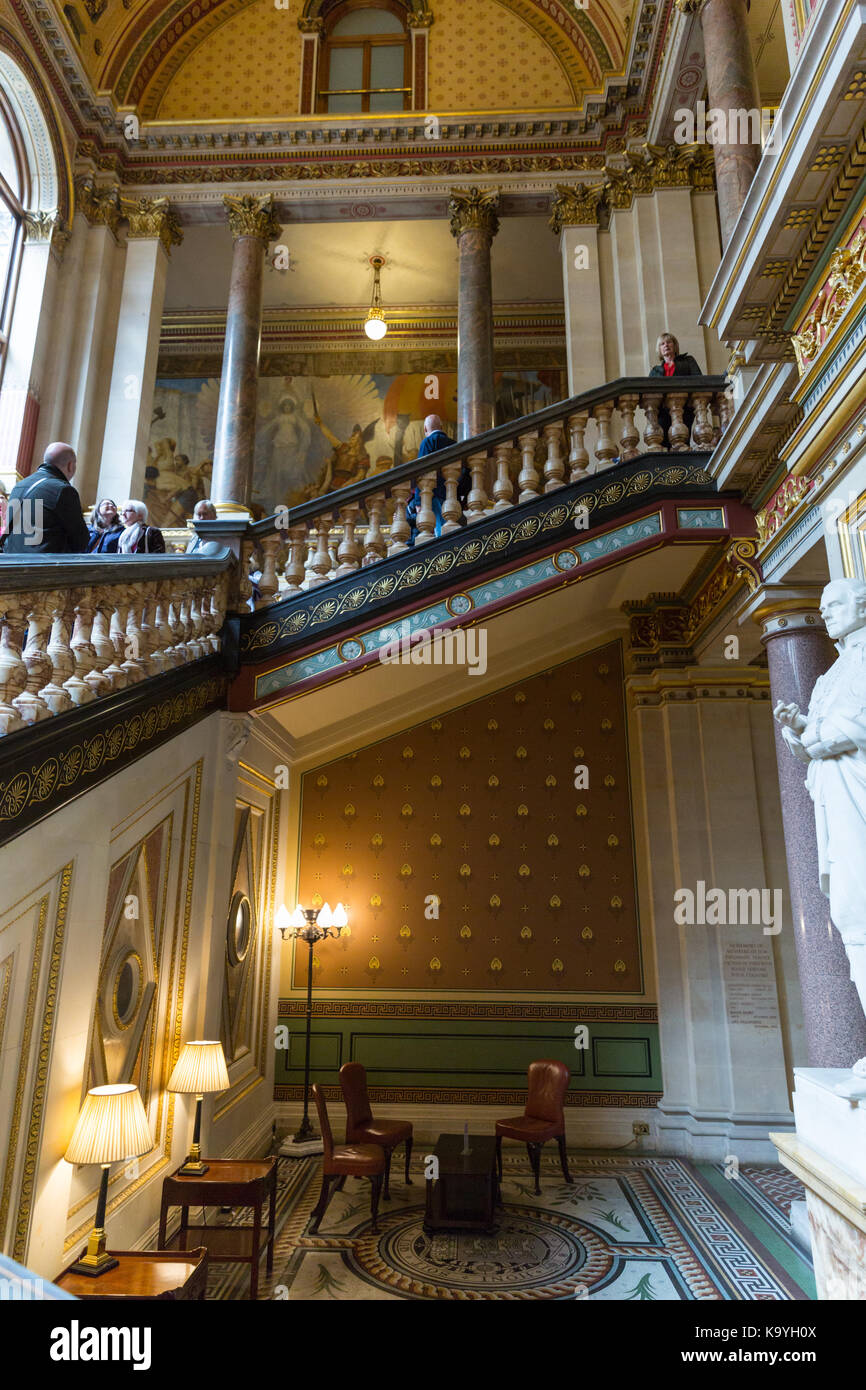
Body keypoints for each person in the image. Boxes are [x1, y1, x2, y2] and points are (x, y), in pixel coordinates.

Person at [0, 442, 90, 554]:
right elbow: (81, 540)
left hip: (11, 562)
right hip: (43, 567)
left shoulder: (19, 486)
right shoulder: (63, 490)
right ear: (70, 465)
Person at [406, 415, 470, 545]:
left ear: (425, 429)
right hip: (452, 495)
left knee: (440, 534)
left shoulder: (427, 442)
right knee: (452, 528)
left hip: (434, 495)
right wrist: (464, 495)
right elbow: (467, 471)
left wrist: (418, 501)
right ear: (442, 427)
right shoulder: (454, 444)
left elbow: (421, 472)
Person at [649, 333, 702, 448]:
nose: (666, 345)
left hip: (685, 408)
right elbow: (649, 393)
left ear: (674, 345)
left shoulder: (687, 361)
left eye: (669, 342)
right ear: (659, 349)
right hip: (663, 411)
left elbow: (698, 379)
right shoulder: (655, 371)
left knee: (682, 439)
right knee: (664, 441)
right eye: (662, 344)